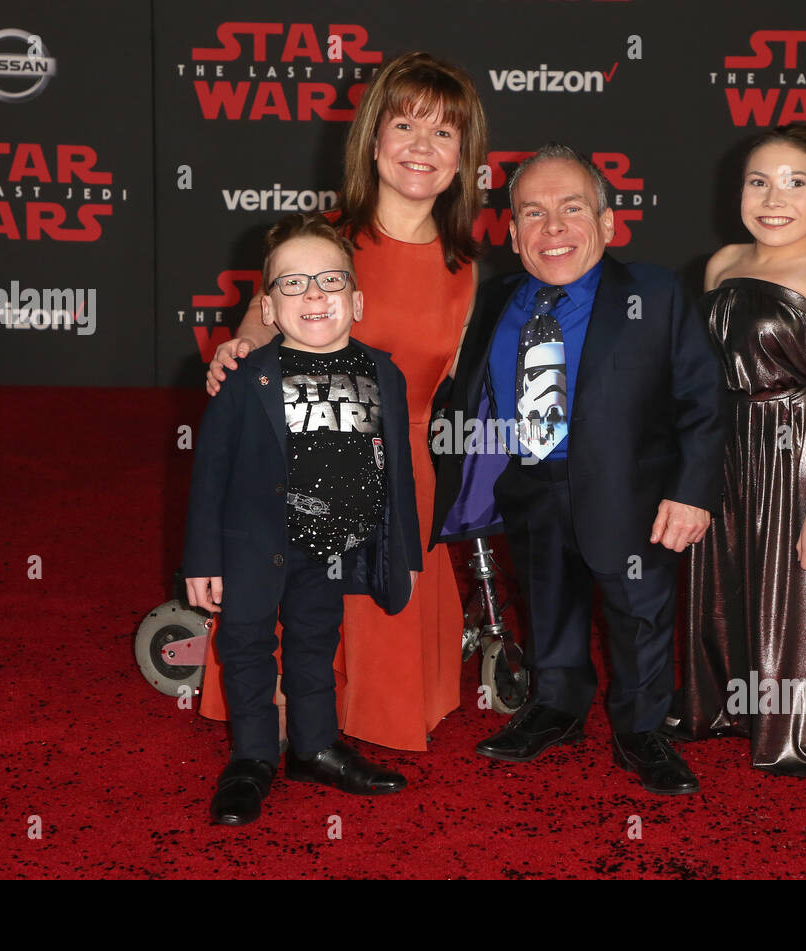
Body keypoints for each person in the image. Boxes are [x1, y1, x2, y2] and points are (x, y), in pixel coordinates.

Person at [202, 52, 487, 751]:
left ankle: (360, 720)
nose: (422, 147)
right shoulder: (327, 238)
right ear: (373, 139)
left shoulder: (466, 270)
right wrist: (237, 351)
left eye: (444, 133)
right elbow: (258, 325)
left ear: (464, 157)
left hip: (400, 475)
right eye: (405, 125)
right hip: (299, 464)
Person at [430, 145, 727, 795]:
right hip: (529, 485)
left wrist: (692, 493)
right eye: (533, 213)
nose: (553, 227)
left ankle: (641, 729)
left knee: (638, 611)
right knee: (548, 602)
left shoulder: (655, 293)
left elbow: (704, 402)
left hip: (632, 494)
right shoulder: (495, 298)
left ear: (609, 221)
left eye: (571, 209)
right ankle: (557, 708)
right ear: (511, 232)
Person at [183, 213, 422, 825]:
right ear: (267, 306)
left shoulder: (382, 374)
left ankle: (315, 746)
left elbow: (399, 470)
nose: (313, 294)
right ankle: (253, 758)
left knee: (317, 644)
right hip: (252, 545)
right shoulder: (244, 378)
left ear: (357, 298)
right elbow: (209, 471)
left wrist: (406, 553)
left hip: (331, 549)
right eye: (292, 284)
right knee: (245, 646)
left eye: (330, 281)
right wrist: (202, 559)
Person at [670, 125, 806, 776]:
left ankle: (800, 726)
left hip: (799, 451)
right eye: (758, 181)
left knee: (794, 584)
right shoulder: (723, 264)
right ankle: (728, 704)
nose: (773, 197)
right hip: (725, 444)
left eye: (795, 182)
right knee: (723, 576)